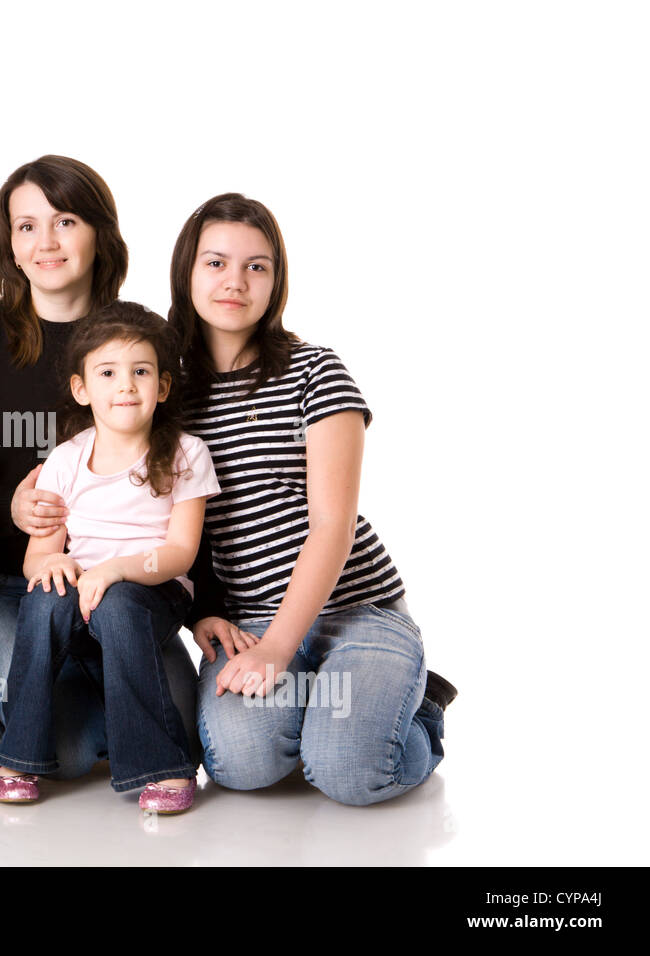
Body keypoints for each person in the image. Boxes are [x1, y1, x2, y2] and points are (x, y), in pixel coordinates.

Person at [168, 192, 456, 806]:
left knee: (351, 773)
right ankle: (334, 710)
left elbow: (333, 523)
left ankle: (419, 710)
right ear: (186, 271)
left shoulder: (315, 371)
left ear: (277, 281)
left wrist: (280, 649)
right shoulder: (167, 394)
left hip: (354, 607)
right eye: (216, 263)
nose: (235, 282)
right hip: (250, 622)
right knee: (241, 765)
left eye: (257, 266)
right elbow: (156, 518)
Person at [0, 154, 201, 777]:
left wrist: (203, 600)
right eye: (26, 227)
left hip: (129, 580)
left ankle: (107, 683)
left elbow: (183, 477)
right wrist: (11, 510)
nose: (45, 242)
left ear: (99, 235)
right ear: (10, 246)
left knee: (184, 731)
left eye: (66, 222)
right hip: (9, 579)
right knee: (72, 747)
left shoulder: (139, 340)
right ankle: (85, 701)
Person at [0, 302, 218, 813]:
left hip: (151, 588)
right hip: (84, 587)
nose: (126, 386)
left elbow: (181, 554)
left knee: (117, 605)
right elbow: (38, 558)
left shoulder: (186, 454)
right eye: (108, 373)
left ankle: (160, 767)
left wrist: (114, 570)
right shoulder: (66, 459)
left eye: (141, 372)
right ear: (82, 389)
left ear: (161, 387)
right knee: (43, 601)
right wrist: (53, 566)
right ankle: (19, 755)